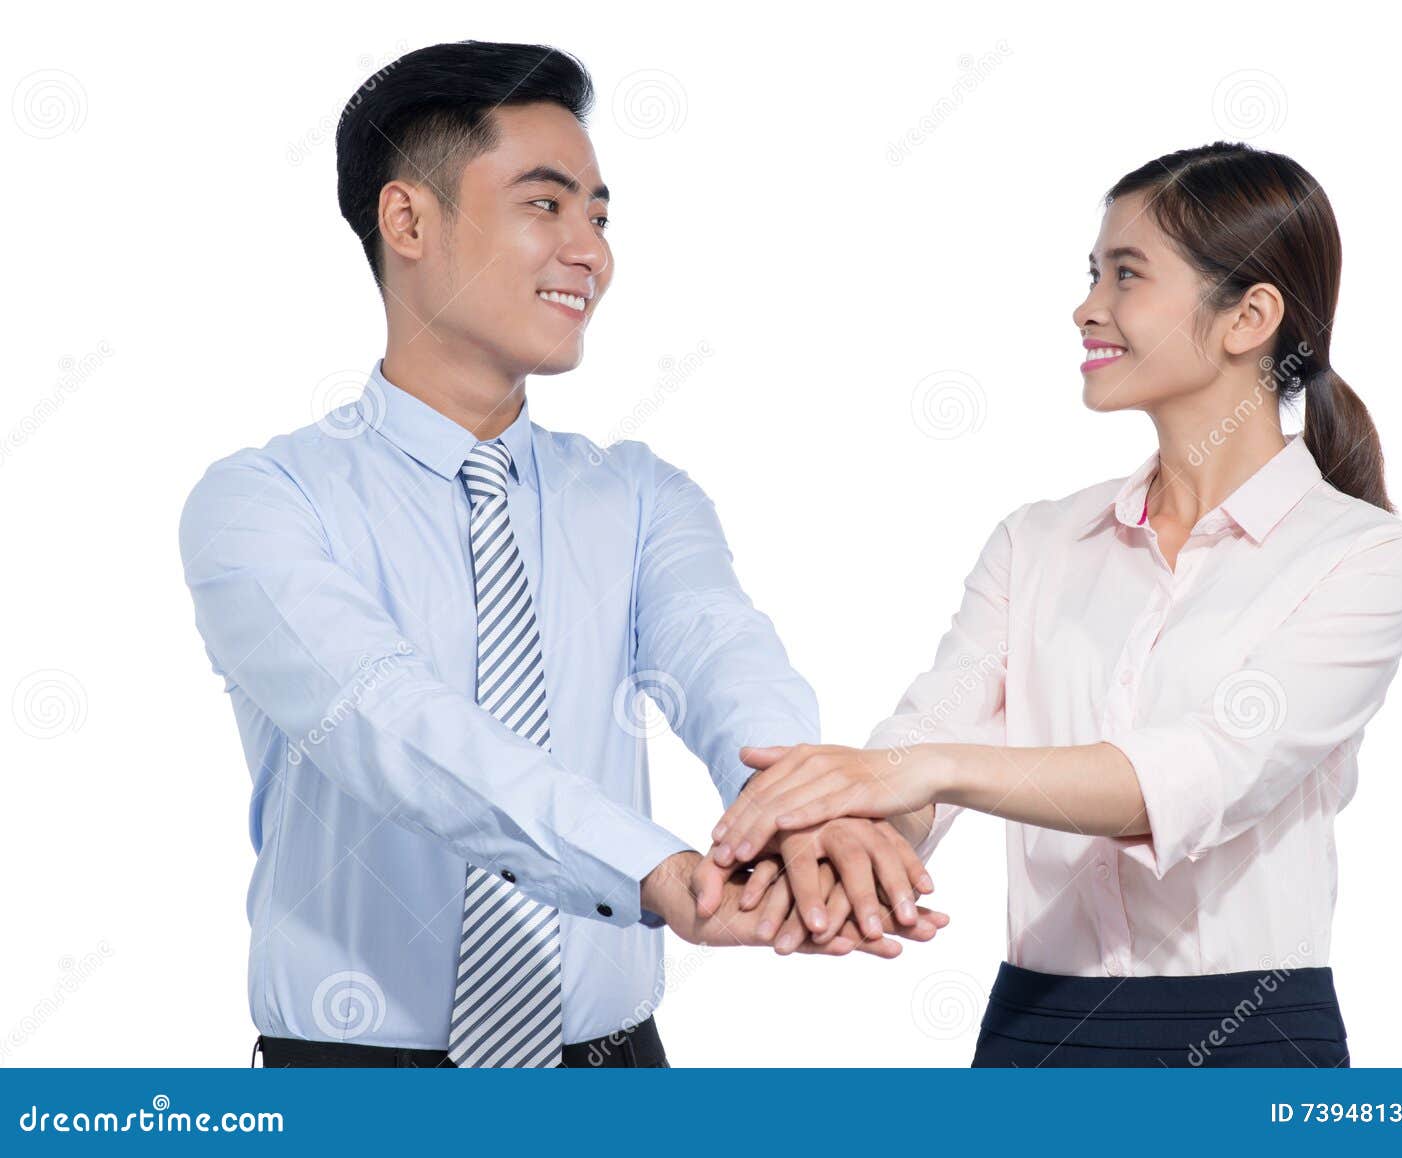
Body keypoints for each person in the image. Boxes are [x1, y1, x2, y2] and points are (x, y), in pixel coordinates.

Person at [177, 40, 944, 1071]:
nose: (590, 251)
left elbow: (725, 658)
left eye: (600, 214)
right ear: (408, 220)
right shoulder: (262, 505)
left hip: (614, 1067)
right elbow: (398, 727)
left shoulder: (634, 494)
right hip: (358, 1084)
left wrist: (803, 814)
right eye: (545, 205)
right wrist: (653, 870)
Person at [710, 142, 1402, 1067]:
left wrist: (920, 771)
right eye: (1093, 272)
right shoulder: (1038, 542)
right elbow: (922, 735)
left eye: (1126, 276)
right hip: (1036, 1037)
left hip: (1253, 1042)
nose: (1086, 307)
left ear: (1249, 316)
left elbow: (1205, 772)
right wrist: (850, 845)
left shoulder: (1365, 556)